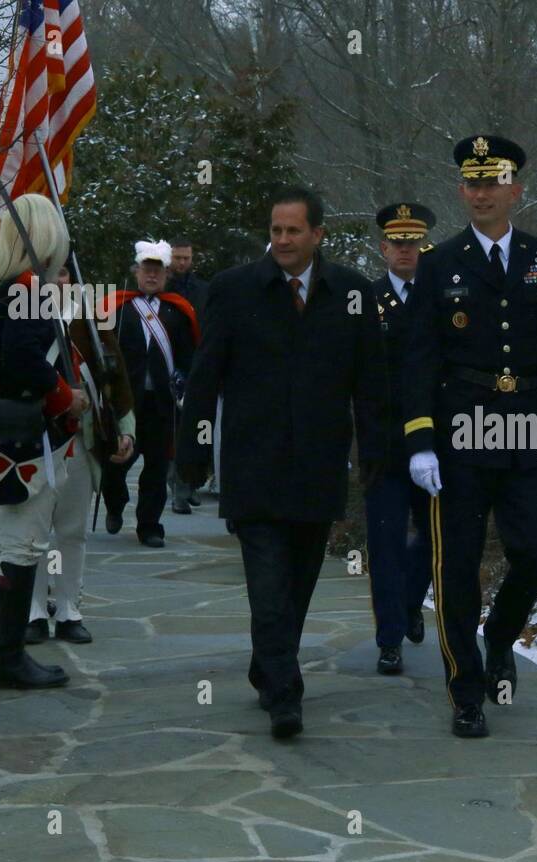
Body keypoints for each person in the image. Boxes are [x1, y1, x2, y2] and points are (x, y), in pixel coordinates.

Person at [176, 185, 388, 740]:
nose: (284, 240)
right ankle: (285, 696)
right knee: (267, 583)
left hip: (318, 465)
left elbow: (369, 384)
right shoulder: (234, 289)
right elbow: (205, 377)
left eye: (294, 230)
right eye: (276, 230)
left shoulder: (352, 293)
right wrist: (193, 449)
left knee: (297, 584)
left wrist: (374, 450)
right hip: (254, 464)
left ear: (318, 234)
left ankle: (267, 664)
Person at [403, 134, 537, 738]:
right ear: (461, 191)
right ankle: (466, 690)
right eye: (472, 183)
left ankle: (500, 634)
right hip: (460, 427)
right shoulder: (438, 262)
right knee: (456, 565)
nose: (481, 193)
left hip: (528, 422)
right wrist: (421, 440)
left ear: (516, 190)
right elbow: (419, 359)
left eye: (493, 182)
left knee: (535, 554)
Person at [0, 192, 85, 690]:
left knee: (0, 541)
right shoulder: (28, 288)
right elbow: (25, 359)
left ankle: (0, 655)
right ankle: (6, 658)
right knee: (24, 543)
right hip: (23, 440)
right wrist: (65, 398)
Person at [25, 258, 136, 644]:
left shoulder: (90, 318)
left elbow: (115, 375)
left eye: (64, 272)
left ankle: (69, 609)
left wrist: (125, 428)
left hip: (80, 439)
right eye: (50, 272)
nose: (58, 279)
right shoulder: (25, 317)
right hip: (35, 439)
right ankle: (35, 611)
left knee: (72, 532)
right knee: (34, 533)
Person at [365, 202, 437, 676]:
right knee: (385, 541)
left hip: (434, 440)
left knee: (434, 535)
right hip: (384, 440)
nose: (406, 251)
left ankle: (412, 601)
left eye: (414, 242)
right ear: (384, 247)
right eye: (398, 243)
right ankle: (389, 638)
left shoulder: (442, 294)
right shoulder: (364, 300)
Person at [100, 241, 198, 548]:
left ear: (166, 274)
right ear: (136, 271)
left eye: (158, 271)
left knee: (157, 467)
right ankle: (115, 504)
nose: (152, 276)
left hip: (161, 403)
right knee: (115, 463)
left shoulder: (178, 311)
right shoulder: (118, 307)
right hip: (125, 402)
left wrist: (184, 380)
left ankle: (150, 526)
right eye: (147, 270)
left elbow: (187, 355)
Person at [165, 237, 208, 513]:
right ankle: (179, 488)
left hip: (197, 366)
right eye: (178, 258)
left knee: (199, 432)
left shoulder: (203, 290)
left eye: (186, 258)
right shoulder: (162, 289)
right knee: (176, 434)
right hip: (170, 369)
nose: (182, 263)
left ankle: (191, 482)